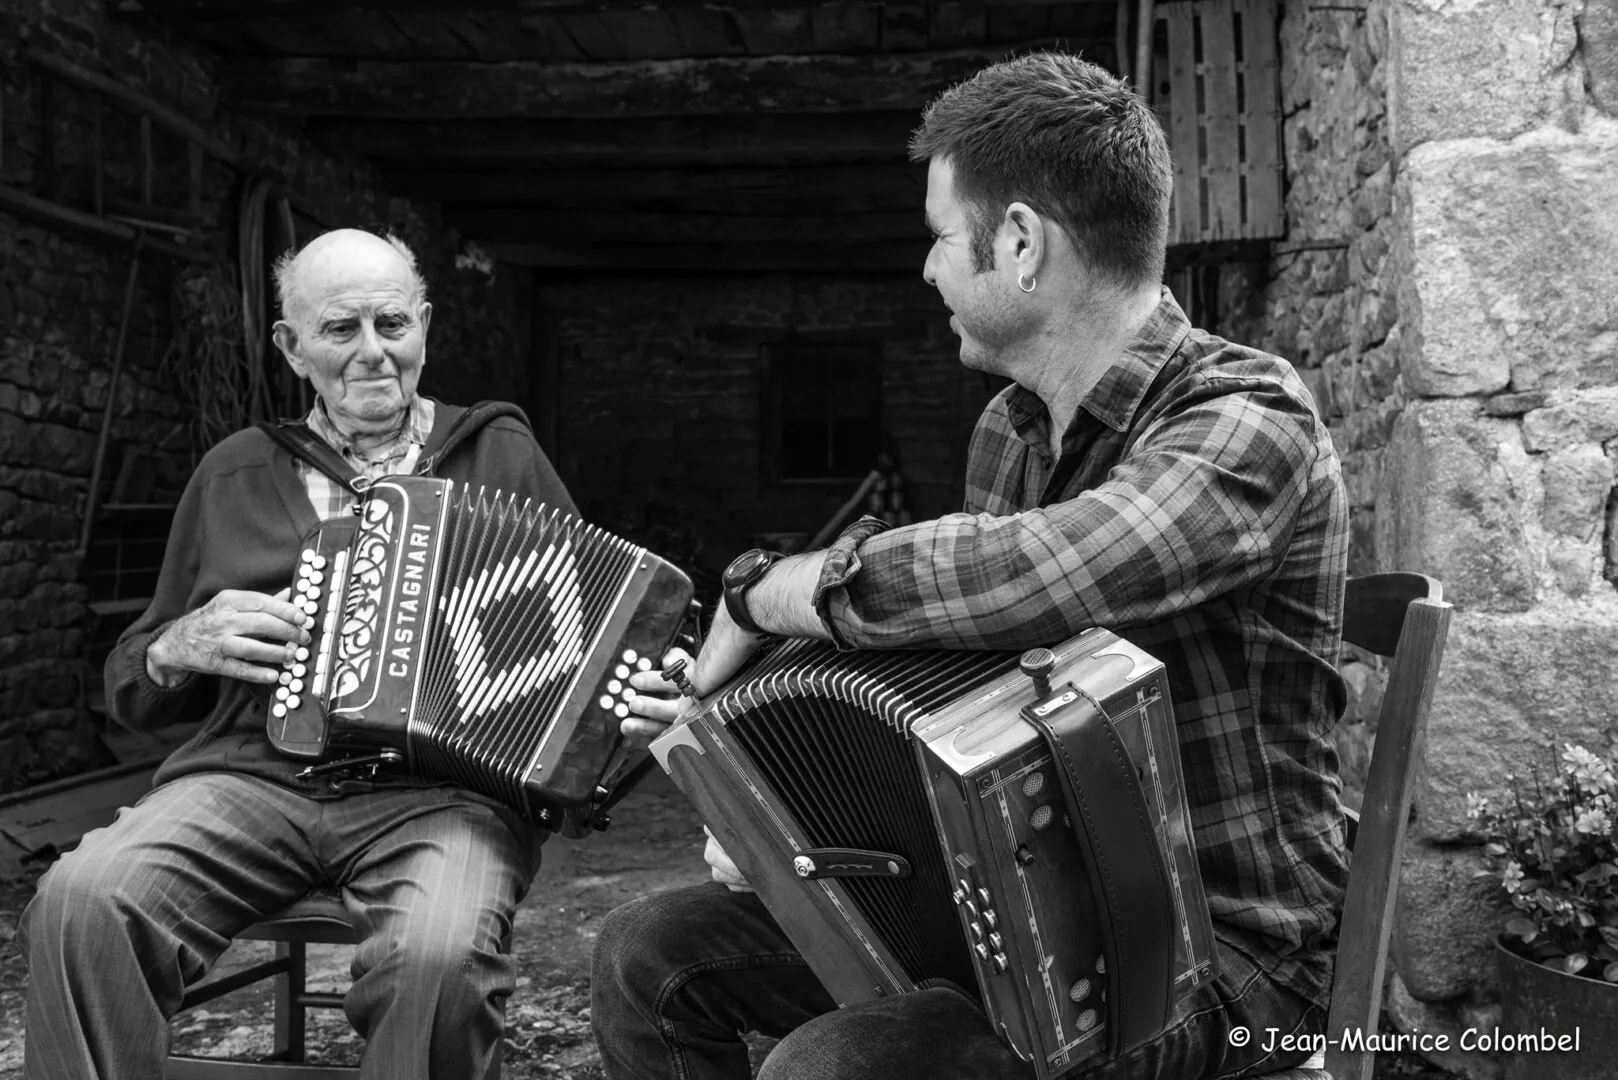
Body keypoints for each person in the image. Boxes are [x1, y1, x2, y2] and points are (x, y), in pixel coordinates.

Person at [593, 52, 1350, 1080]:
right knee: (649, 957)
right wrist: (776, 819)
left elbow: (1047, 574)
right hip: (1024, 899)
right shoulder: (1010, 430)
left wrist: (776, 585)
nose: (928, 269)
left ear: (1022, 242)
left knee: (831, 1069)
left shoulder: (1247, 417)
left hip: (1222, 956)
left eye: (943, 239)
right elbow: (966, 697)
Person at [21, 228, 576, 1080]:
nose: (372, 354)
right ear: (292, 346)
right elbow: (134, 682)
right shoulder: (235, 471)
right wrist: (180, 644)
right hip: (253, 780)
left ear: (424, 325)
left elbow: (580, 635)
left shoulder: (499, 453)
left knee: (438, 958)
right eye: (339, 330)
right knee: (81, 899)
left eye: (392, 325)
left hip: (442, 795)